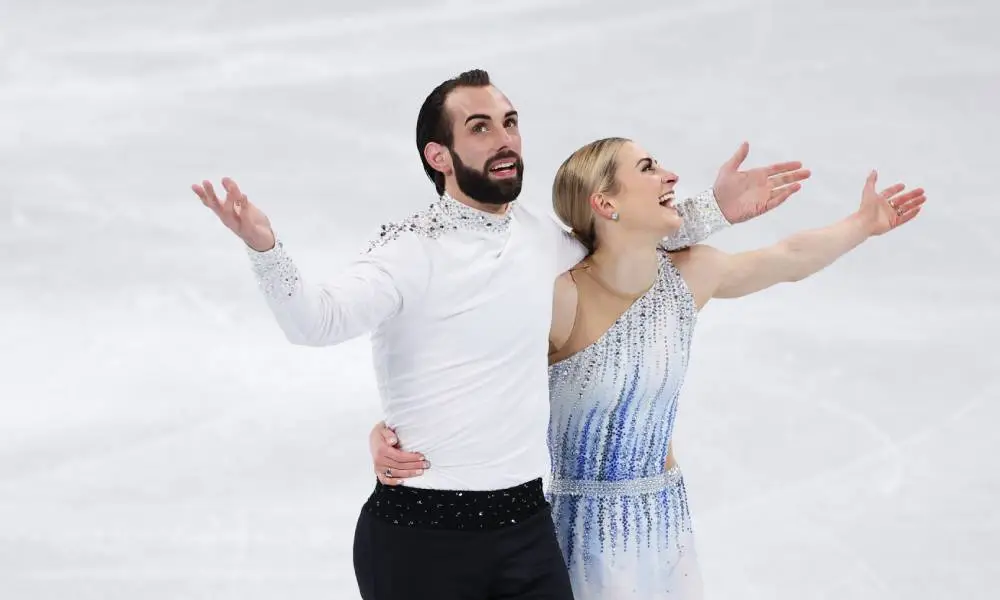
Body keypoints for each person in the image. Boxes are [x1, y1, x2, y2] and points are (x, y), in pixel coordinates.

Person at [191, 68, 810, 600]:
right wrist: (265, 248)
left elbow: (625, 237)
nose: (506, 138)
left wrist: (717, 208)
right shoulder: (409, 250)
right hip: (421, 536)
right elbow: (314, 323)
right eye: (480, 127)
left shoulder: (543, 239)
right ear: (440, 156)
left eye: (510, 121)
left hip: (524, 527)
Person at [368, 137, 925, 598]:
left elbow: (788, 260)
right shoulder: (559, 299)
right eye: (648, 168)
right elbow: (466, 368)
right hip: (581, 532)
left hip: (664, 520)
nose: (671, 176)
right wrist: (390, 431)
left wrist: (861, 224)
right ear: (605, 203)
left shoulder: (691, 275)